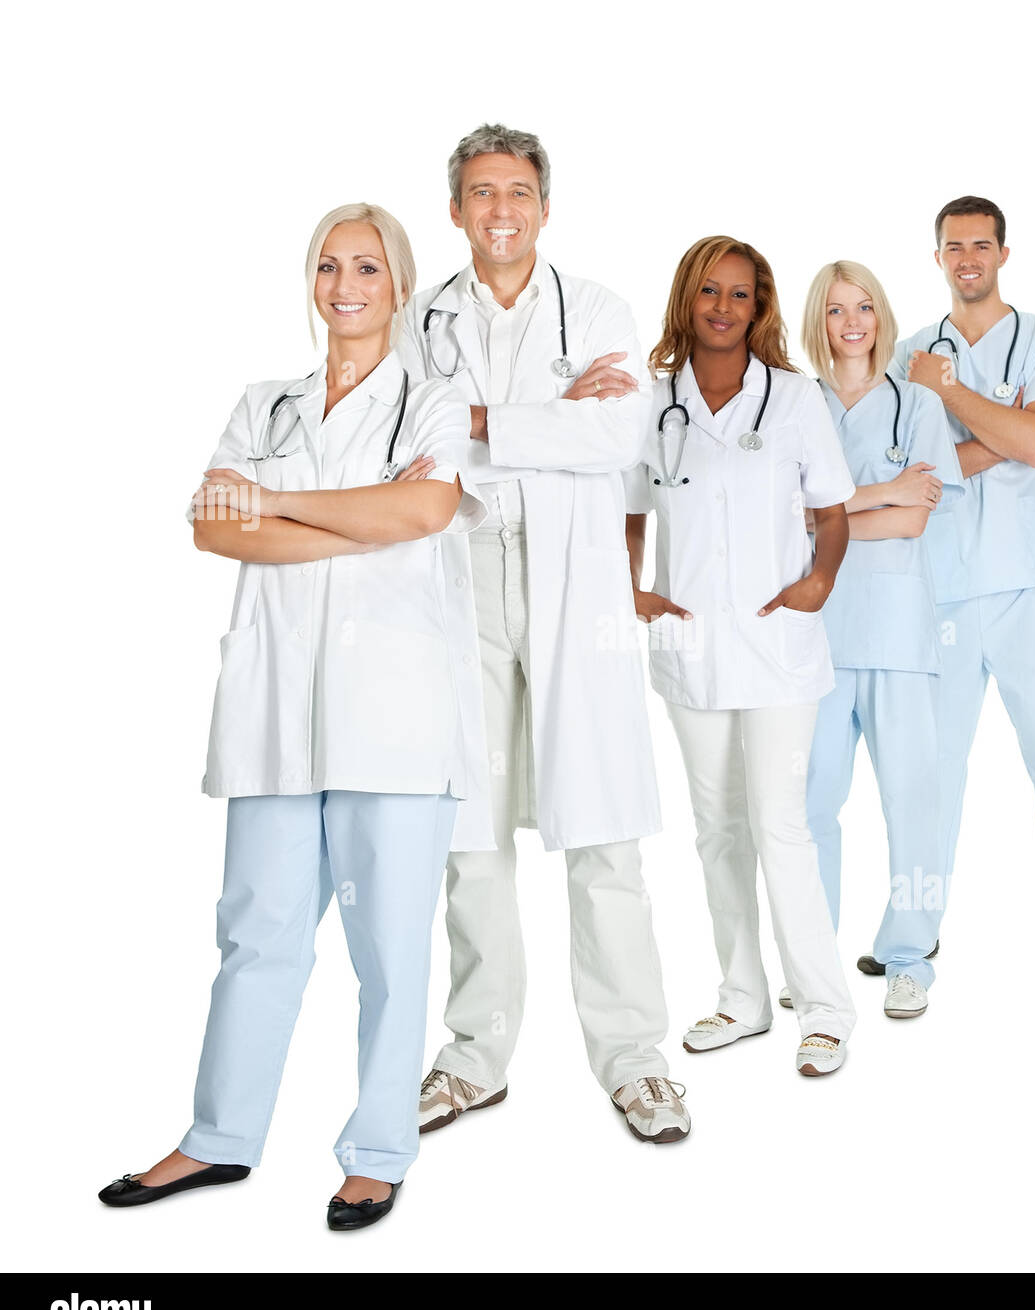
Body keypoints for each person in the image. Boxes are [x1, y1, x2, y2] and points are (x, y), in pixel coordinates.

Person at [97, 204, 490, 1231]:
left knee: (390, 950)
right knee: (255, 931)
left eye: (366, 266)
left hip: (395, 716)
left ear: (399, 282)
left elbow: (423, 514)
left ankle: (375, 1150)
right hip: (276, 706)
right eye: (328, 265)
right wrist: (345, 516)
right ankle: (218, 1137)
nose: (344, 283)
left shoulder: (437, 399)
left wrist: (273, 505)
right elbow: (208, 527)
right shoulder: (262, 401)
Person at [397, 123, 688, 1142]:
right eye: (481, 192)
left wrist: (480, 420)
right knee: (467, 826)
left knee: (601, 821)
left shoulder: (598, 307)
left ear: (545, 205)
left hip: (575, 582)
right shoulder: (416, 318)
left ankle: (635, 1060)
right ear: (456, 209)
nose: (500, 209)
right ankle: (474, 1056)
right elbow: (407, 431)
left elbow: (618, 432)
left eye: (517, 190)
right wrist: (541, 414)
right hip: (461, 575)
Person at [625, 236, 857, 1076]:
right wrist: (632, 587)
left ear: (760, 308)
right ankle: (742, 996)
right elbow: (630, 507)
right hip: (691, 644)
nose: (724, 308)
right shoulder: (654, 403)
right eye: (710, 293)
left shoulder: (793, 399)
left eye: (742, 295)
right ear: (687, 298)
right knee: (717, 831)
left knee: (779, 823)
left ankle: (825, 1007)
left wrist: (821, 580)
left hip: (778, 645)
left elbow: (832, 509)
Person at [892, 196, 1035, 983]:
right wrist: (1000, 432)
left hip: (1030, 579)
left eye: (981, 244)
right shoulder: (909, 350)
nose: (967, 258)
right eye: (954, 246)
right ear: (939, 256)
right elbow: (907, 472)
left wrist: (952, 402)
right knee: (931, 766)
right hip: (942, 586)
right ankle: (910, 936)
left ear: (1003, 253)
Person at [797, 261, 965, 1020]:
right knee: (809, 805)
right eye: (837, 310)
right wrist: (882, 493)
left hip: (899, 633)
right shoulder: (796, 403)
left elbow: (913, 519)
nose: (854, 321)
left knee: (911, 800)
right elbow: (791, 516)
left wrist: (841, 510)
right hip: (818, 639)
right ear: (819, 322)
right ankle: (814, 959)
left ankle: (908, 958)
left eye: (864, 306)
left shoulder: (920, 403)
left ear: (882, 314)